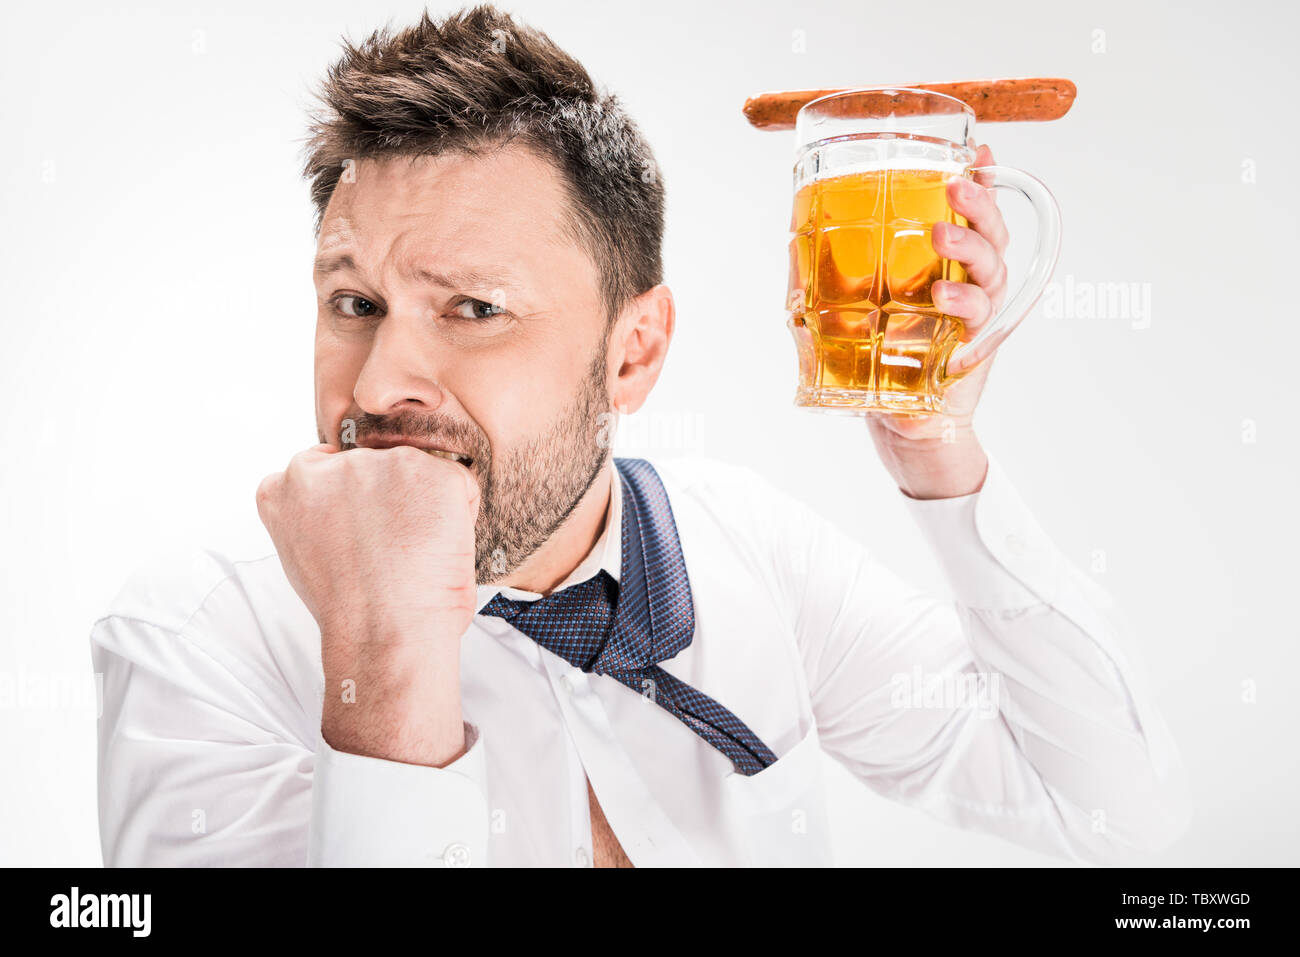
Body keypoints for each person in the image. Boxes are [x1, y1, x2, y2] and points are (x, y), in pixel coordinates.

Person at [90, 4, 1191, 867]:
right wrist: (384, 658)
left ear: (634, 354)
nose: (381, 384)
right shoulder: (197, 637)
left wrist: (935, 446)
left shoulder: (748, 547)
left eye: (474, 308)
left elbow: (1110, 815)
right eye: (353, 304)